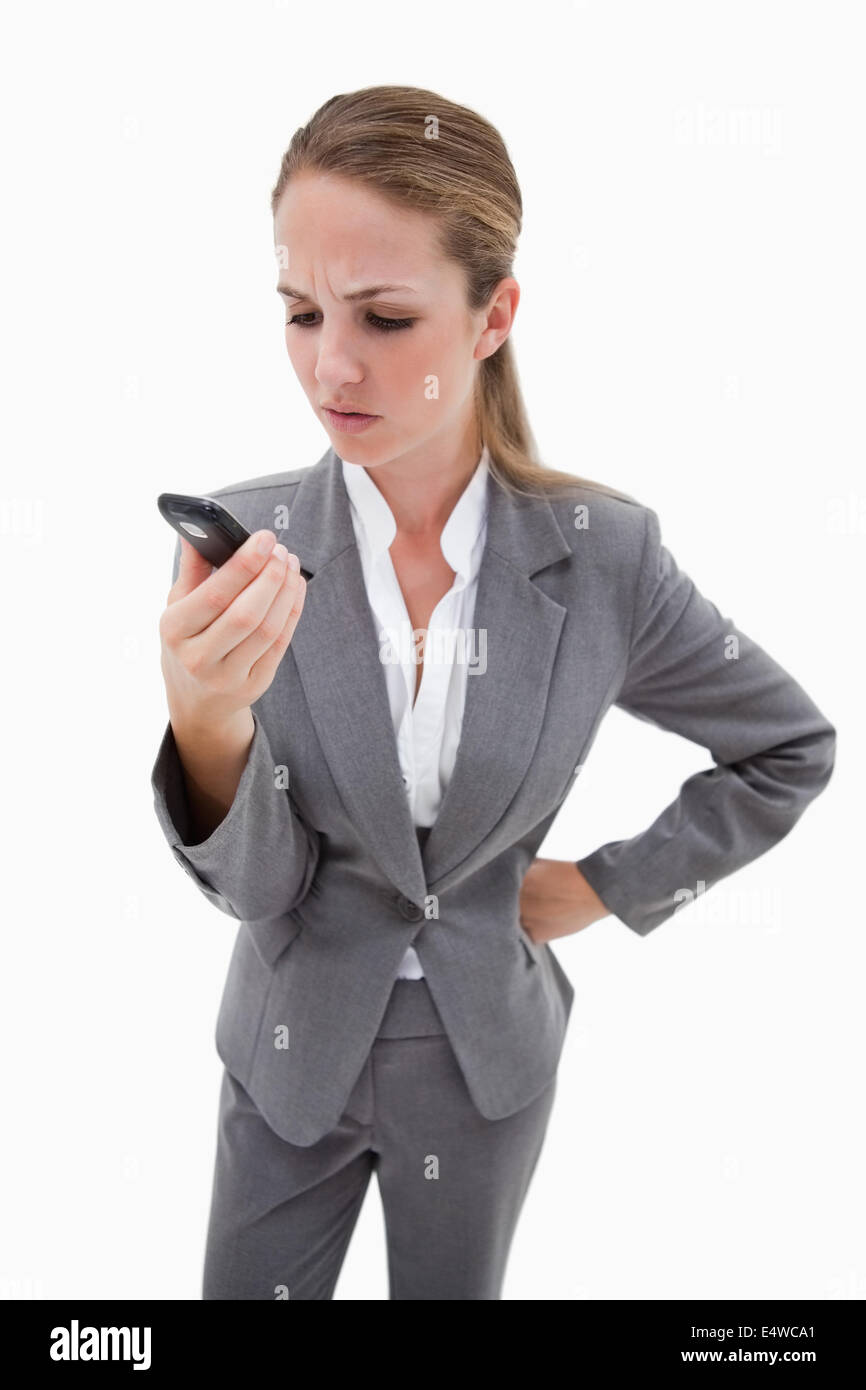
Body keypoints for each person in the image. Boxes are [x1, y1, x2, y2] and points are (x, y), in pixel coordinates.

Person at [150, 85, 836, 1300]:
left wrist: (602, 888)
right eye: (301, 311)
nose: (331, 363)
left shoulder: (603, 556)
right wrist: (205, 727)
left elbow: (787, 746)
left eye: (384, 315)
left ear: (490, 316)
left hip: (483, 1064)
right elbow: (260, 890)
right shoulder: (247, 543)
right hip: (288, 1059)